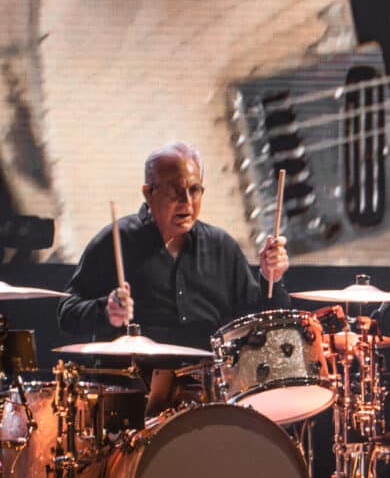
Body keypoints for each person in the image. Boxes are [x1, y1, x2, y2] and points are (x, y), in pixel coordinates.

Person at [59, 143, 289, 352]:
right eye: (175, 191)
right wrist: (106, 311)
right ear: (149, 193)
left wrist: (271, 278)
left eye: (194, 190)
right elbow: (67, 313)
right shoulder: (115, 240)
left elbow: (262, 323)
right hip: (135, 384)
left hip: (207, 386)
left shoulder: (222, 247)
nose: (187, 202)